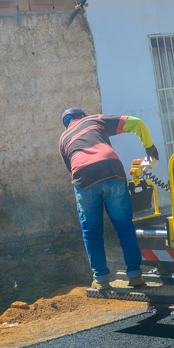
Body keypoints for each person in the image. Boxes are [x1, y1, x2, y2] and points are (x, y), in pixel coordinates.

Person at [59, 109, 159, 287]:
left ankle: (101, 279)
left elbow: (72, 170)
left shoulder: (63, 139)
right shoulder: (93, 120)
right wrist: (150, 149)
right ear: (82, 116)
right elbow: (136, 122)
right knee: (124, 225)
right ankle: (135, 275)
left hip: (83, 177)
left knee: (91, 230)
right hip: (110, 169)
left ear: (67, 123)